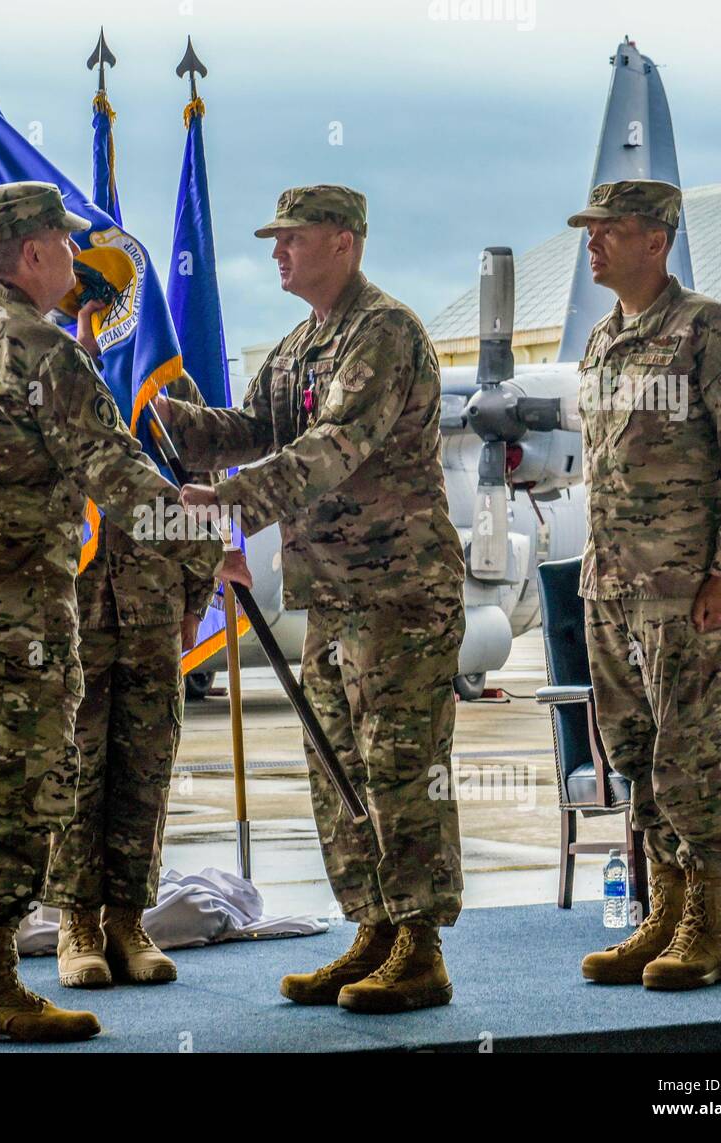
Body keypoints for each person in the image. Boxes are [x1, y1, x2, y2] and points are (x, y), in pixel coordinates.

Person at [0, 180, 250, 1042]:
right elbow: (123, 481)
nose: (73, 256)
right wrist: (202, 522)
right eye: (63, 243)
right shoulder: (42, 352)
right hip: (17, 617)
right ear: (31, 252)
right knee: (20, 800)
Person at [157, 185, 467, 1014]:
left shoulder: (384, 334)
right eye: (274, 239)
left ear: (344, 241)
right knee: (338, 769)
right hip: (331, 596)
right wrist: (155, 407)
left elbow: (333, 448)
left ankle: (420, 946)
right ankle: (372, 929)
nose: (276, 253)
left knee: (401, 768)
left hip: (399, 593)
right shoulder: (303, 344)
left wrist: (231, 504)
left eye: (291, 238)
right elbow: (249, 426)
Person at [569, 179, 721, 990]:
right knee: (635, 754)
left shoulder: (706, 328)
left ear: (655, 241)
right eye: (589, 230)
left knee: (689, 756)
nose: (592, 243)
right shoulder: (600, 339)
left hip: (683, 585)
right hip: (611, 585)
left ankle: (709, 926)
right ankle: (663, 909)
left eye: (607, 230)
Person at [42, 370, 215, 989]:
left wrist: (197, 596)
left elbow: (202, 491)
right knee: (77, 770)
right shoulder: (59, 372)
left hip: (155, 607)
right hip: (74, 609)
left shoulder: (167, 381)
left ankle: (128, 921)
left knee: (146, 771)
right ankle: (78, 925)